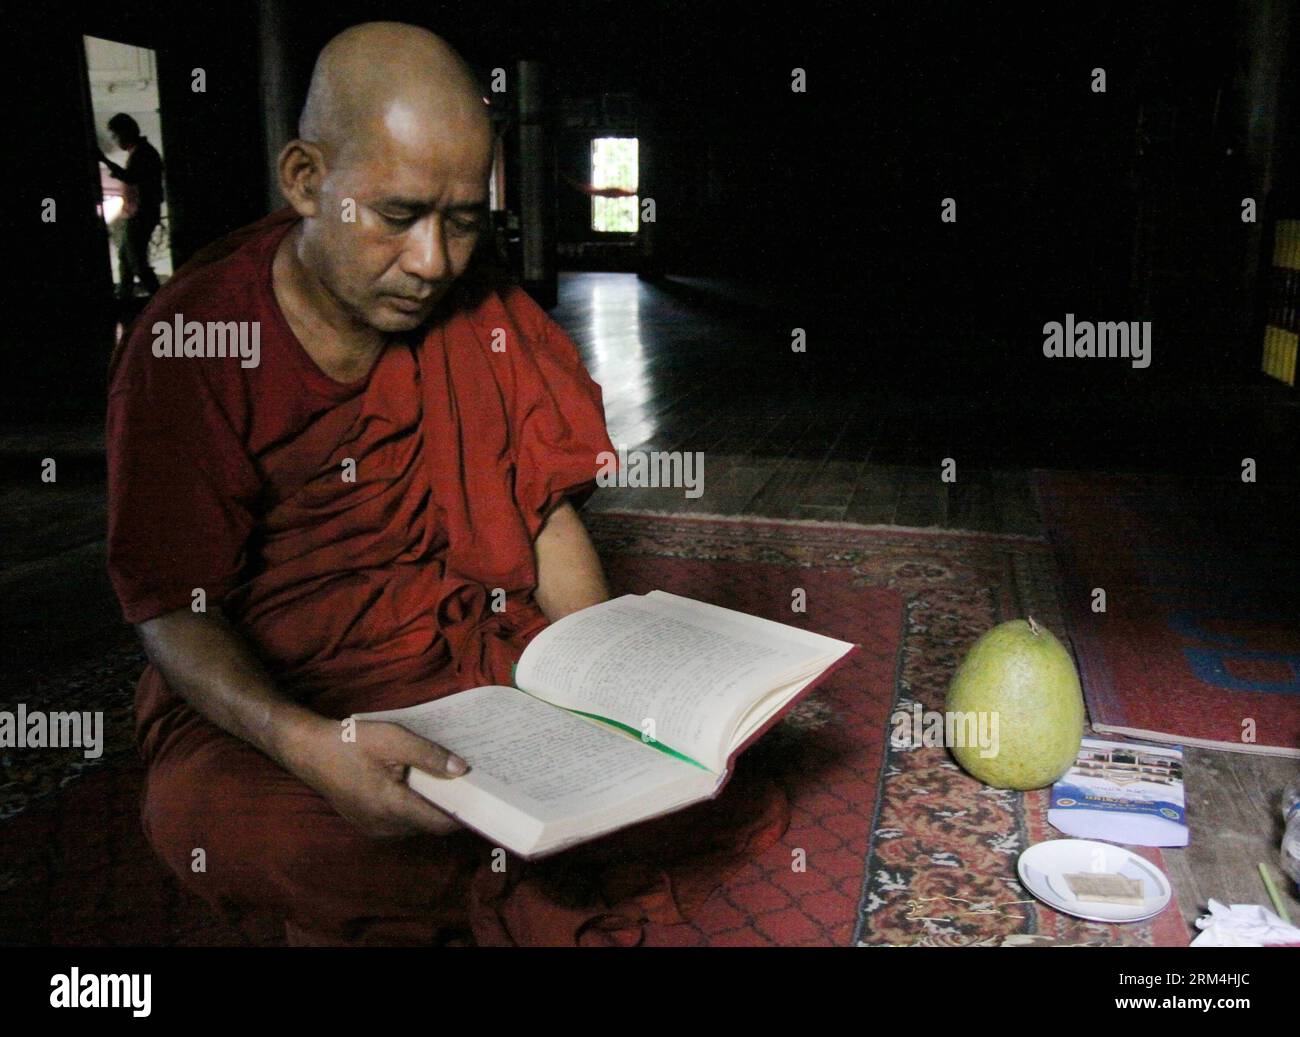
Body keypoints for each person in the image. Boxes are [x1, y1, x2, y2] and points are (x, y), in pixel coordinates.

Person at [106, 22, 787, 947]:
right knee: (219, 821)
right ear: (306, 180)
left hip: (478, 664)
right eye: (398, 216)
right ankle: (520, 871)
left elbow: (540, 513)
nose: (434, 263)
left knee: (695, 765)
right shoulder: (196, 340)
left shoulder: (484, 314)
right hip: (297, 700)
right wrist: (312, 747)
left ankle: (529, 848)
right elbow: (170, 610)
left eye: (463, 220)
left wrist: (605, 703)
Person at [98, 113, 164, 299]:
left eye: (115, 135)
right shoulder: (142, 151)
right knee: (127, 259)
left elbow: (131, 177)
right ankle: (127, 297)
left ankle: (158, 298)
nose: (115, 140)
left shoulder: (143, 153)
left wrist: (104, 160)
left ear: (125, 132)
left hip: (141, 214)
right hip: (138, 213)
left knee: (136, 262)